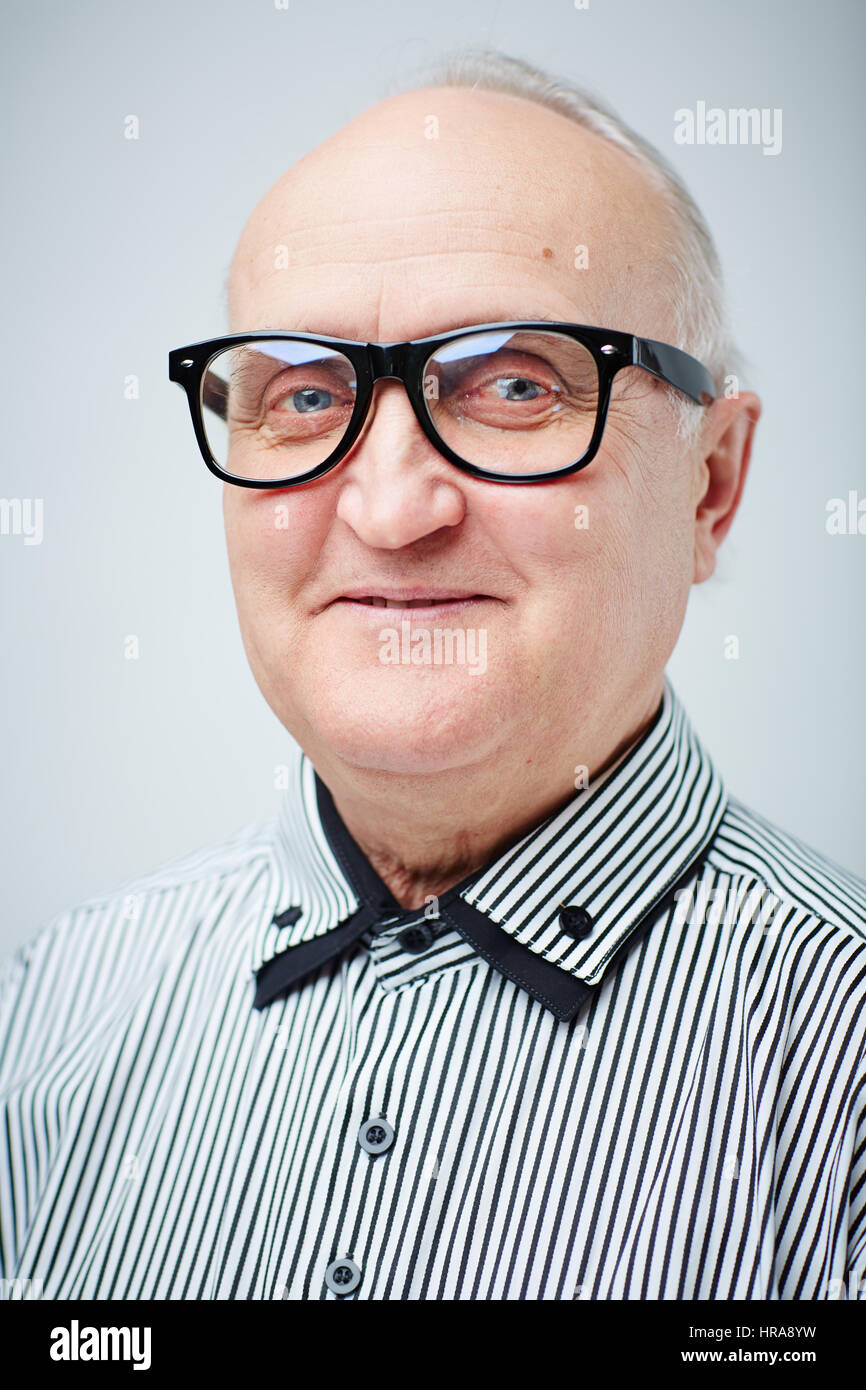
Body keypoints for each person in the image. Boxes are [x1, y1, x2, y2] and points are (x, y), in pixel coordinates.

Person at [2, 47, 864, 1302]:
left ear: (709, 483)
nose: (394, 507)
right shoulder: (44, 1018)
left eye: (515, 383)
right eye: (302, 395)